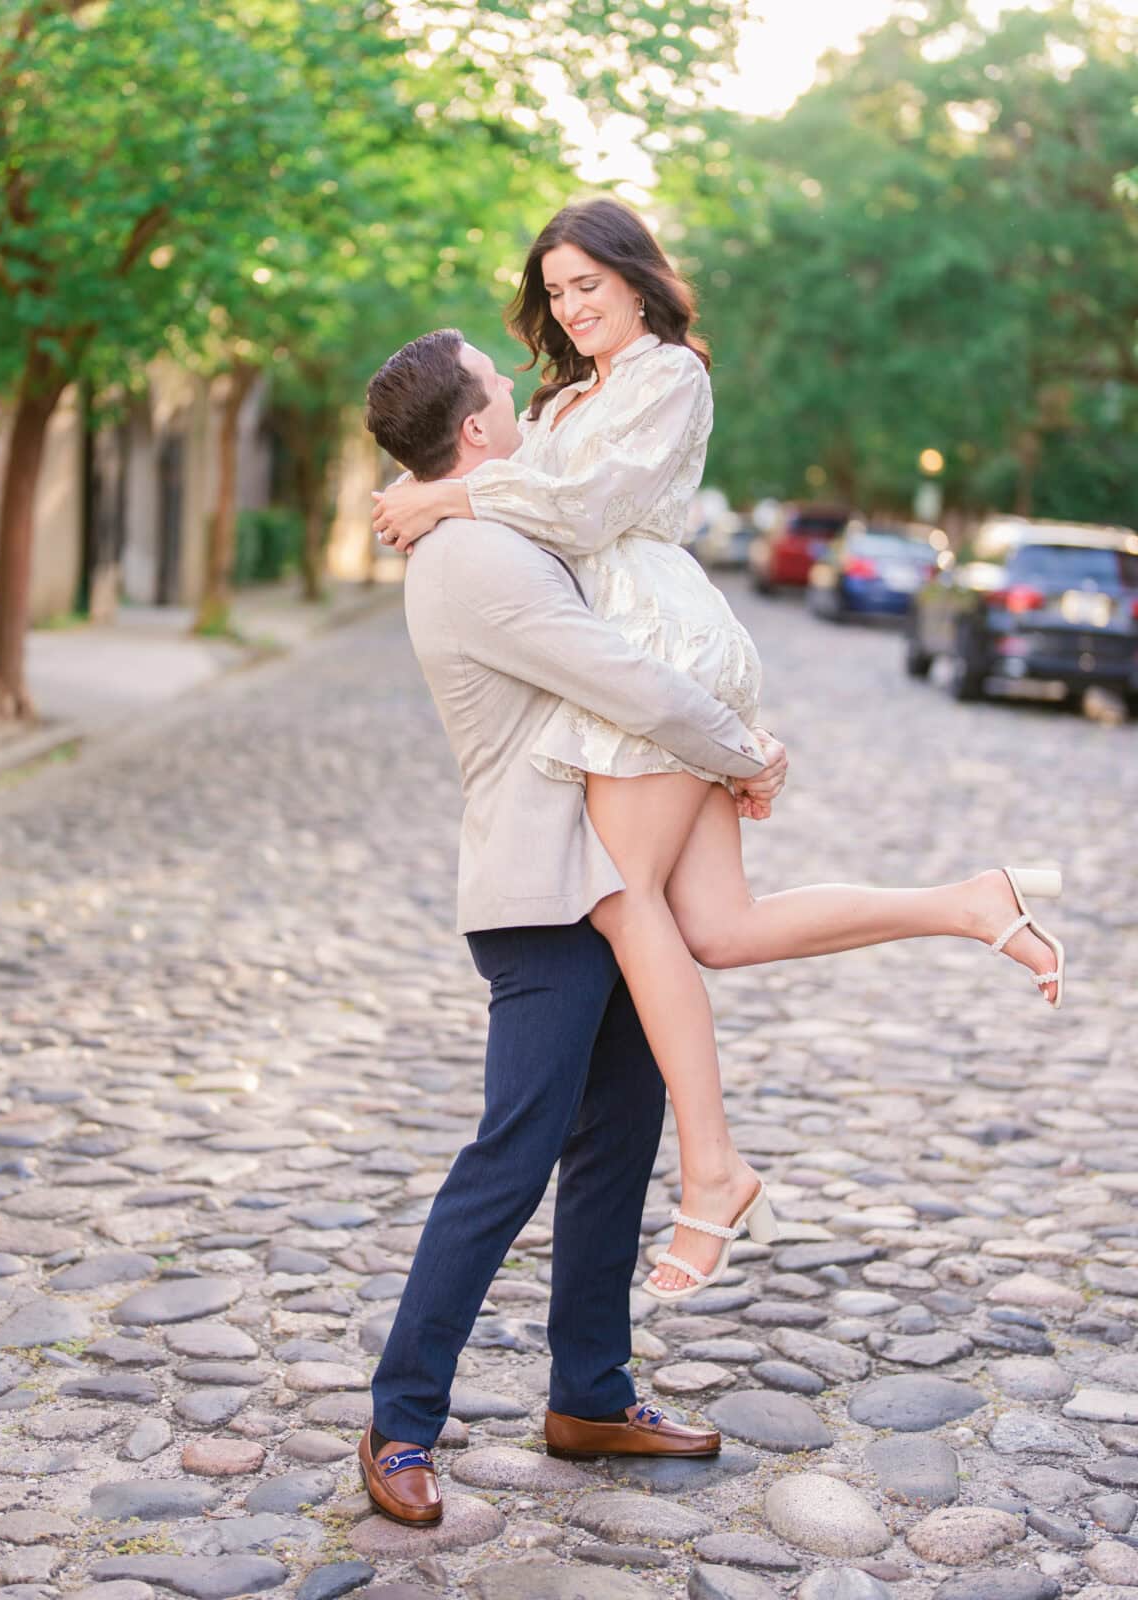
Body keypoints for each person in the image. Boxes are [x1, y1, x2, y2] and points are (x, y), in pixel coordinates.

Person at [371, 198, 1068, 1303]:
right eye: (555, 292)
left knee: (621, 898)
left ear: (636, 278)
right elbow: (503, 468)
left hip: (658, 638)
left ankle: (714, 1173)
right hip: (632, 638)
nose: (572, 307)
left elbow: (583, 510)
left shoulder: (667, 377)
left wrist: (447, 494)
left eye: (588, 284)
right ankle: (971, 902)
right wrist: (428, 486)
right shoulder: (565, 397)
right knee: (719, 928)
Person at [356, 326, 784, 1528]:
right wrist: (743, 751)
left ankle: (590, 1396)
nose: (517, 383)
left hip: (613, 885)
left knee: (617, 1148)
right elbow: (622, 678)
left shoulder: (499, 521)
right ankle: (400, 1419)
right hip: (543, 894)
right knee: (513, 1154)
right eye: (496, 380)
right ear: (475, 428)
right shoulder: (476, 557)